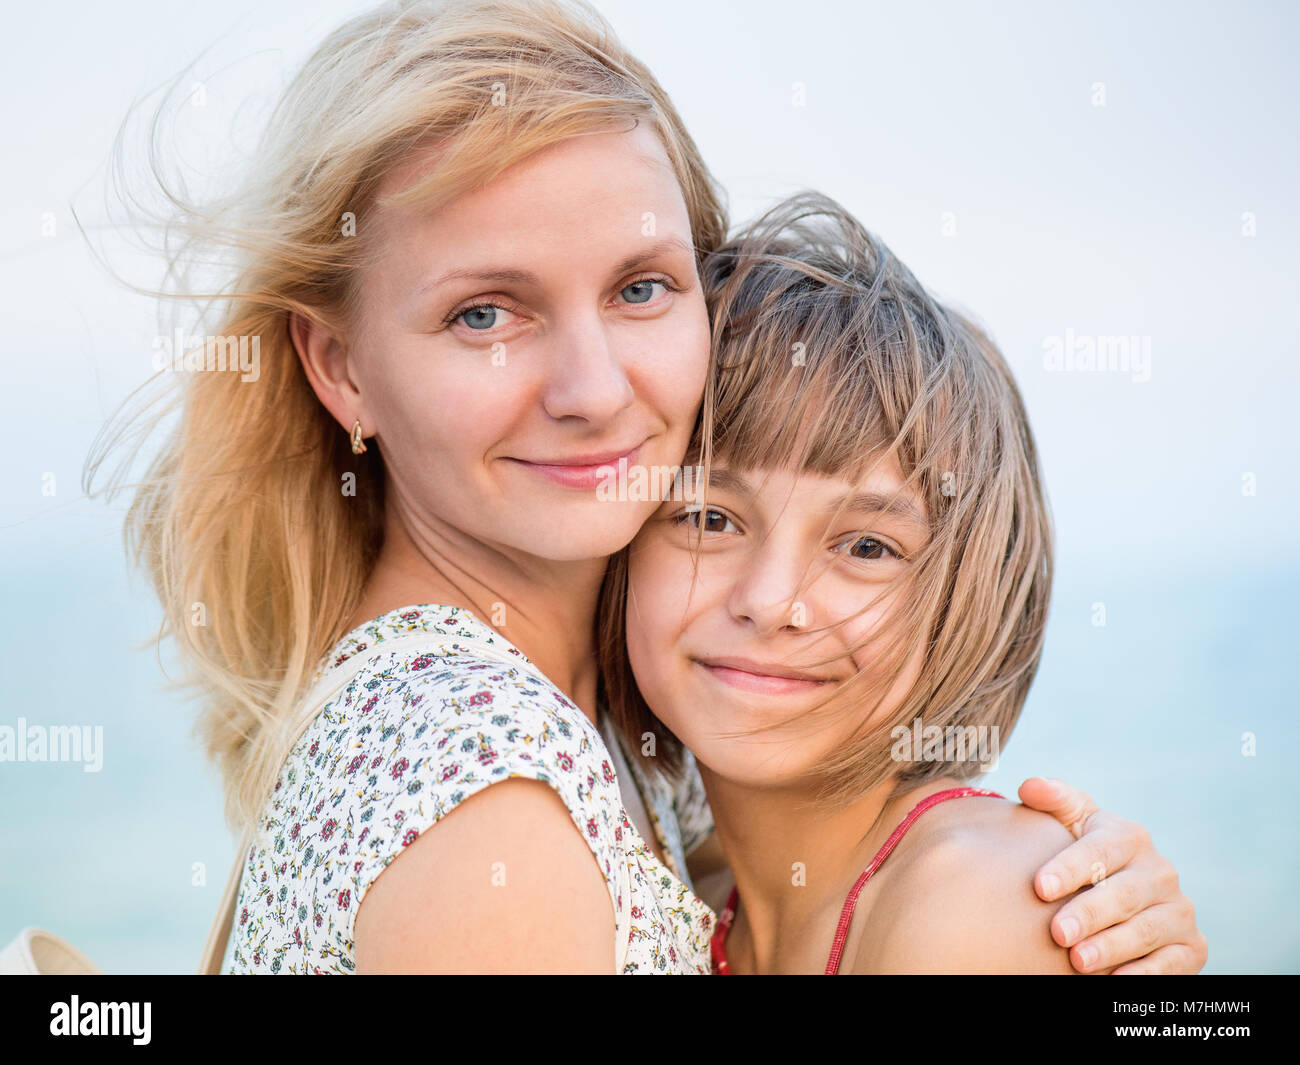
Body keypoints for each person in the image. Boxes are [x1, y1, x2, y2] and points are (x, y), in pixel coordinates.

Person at [94, 0, 1205, 973]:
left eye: (640, 288)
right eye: (485, 312)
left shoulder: (597, 734)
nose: (591, 389)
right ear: (340, 369)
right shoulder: (489, 796)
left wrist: (1079, 905)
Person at [606, 191, 1200, 973]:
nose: (770, 599)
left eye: (865, 545)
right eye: (711, 519)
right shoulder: (693, 893)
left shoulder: (979, 907)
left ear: (963, 597)